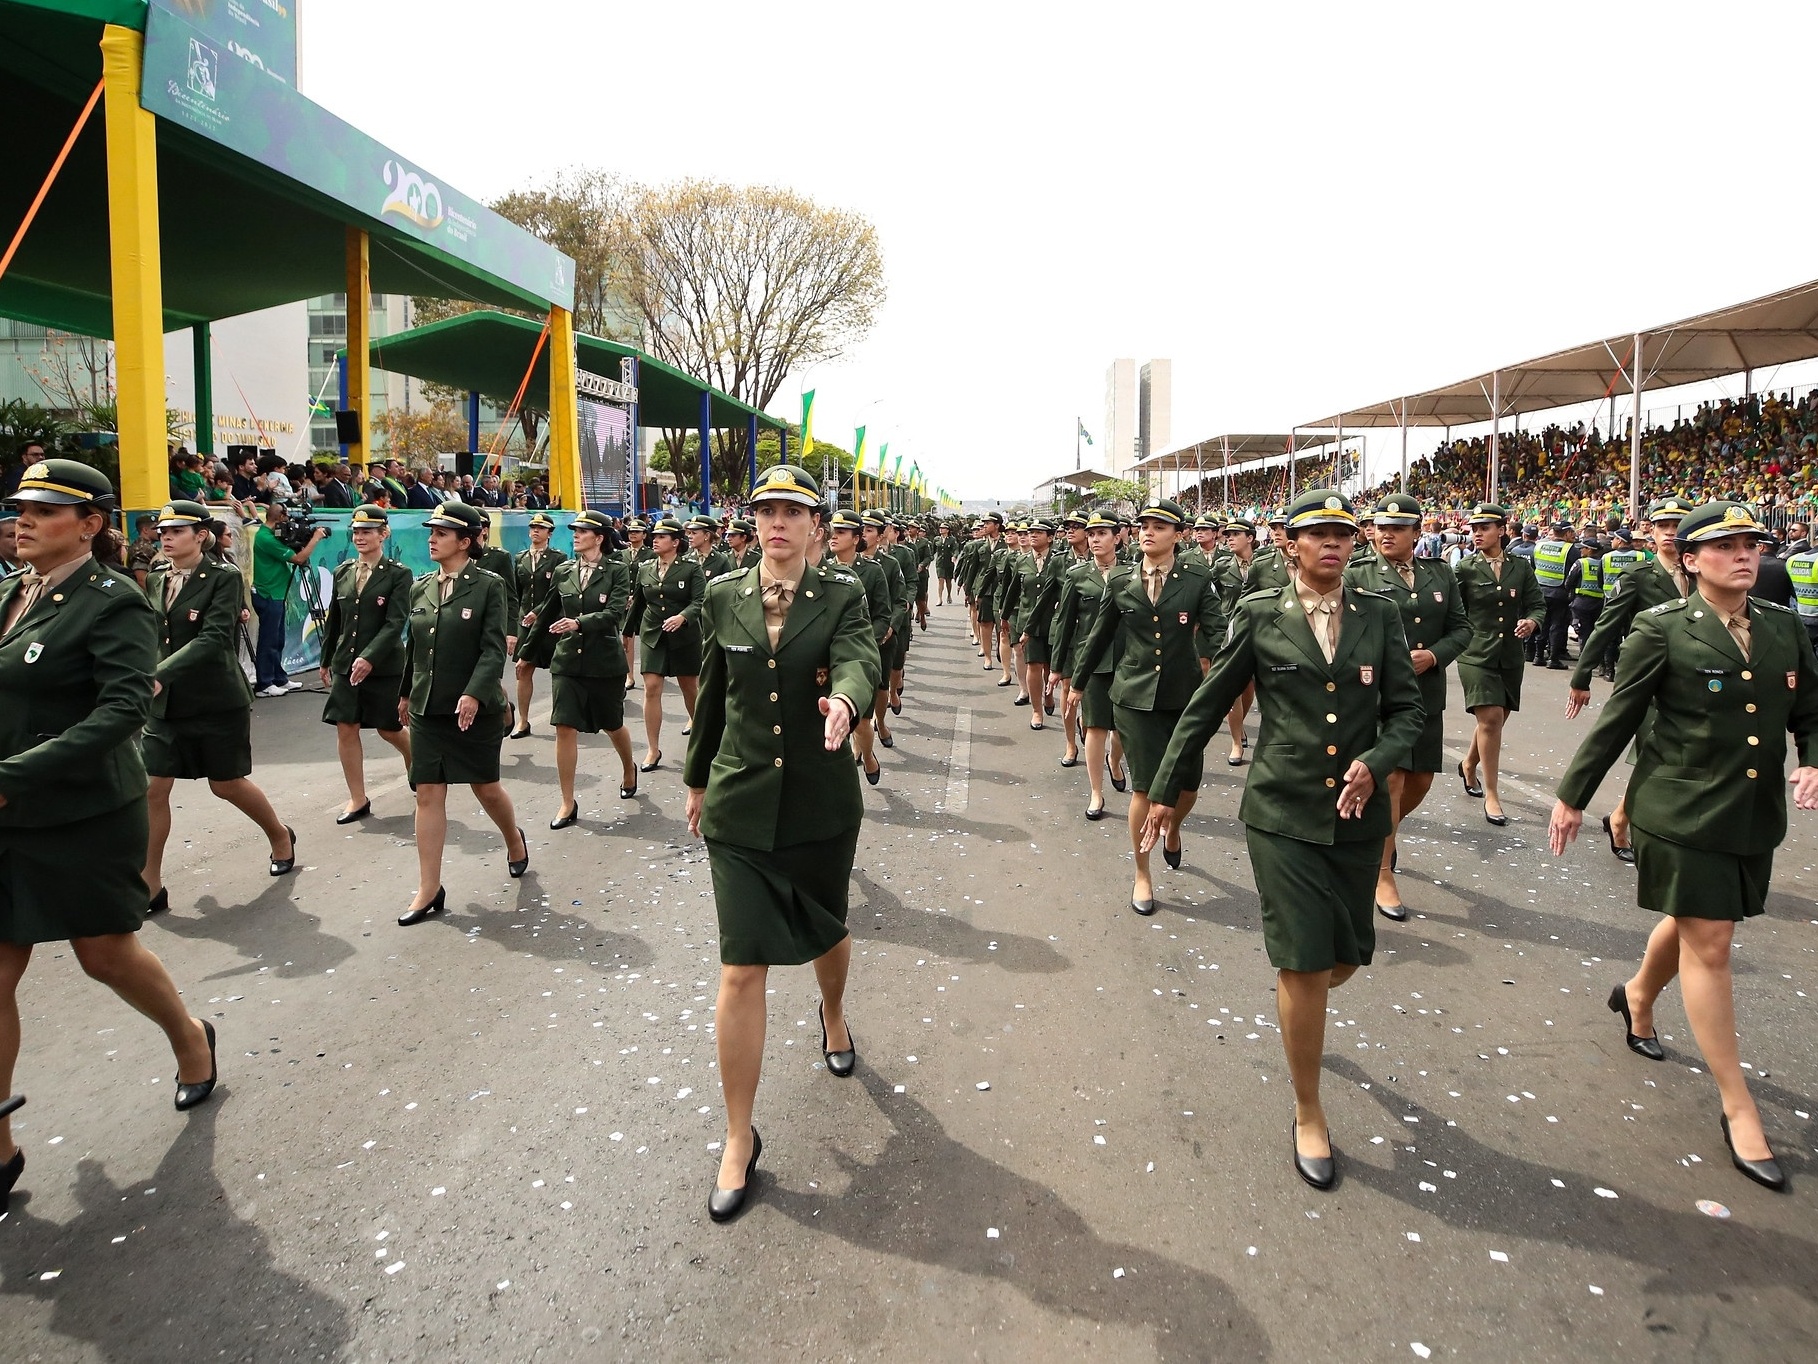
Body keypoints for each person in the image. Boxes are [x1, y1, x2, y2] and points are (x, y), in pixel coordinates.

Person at [1142, 489, 1422, 1190]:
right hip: (1282, 813)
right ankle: (1308, 1109)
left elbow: (1407, 713)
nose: (1332, 543)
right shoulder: (1261, 614)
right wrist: (1165, 793)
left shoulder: (1379, 615)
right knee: (1303, 962)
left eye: (1342, 534)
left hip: (1357, 816)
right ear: (1290, 545)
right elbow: (1207, 705)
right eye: (1317, 533)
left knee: (1345, 958)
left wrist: (1377, 762)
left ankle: (1307, 1005)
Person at [1550, 501, 1818, 1193]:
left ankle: (1638, 995)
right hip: (1679, 807)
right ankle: (1738, 1105)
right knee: (1713, 938)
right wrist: (1573, 796)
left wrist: (1812, 758)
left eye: (1752, 543)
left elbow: (1810, 710)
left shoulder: (1784, 626)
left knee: (1699, 918)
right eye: (1726, 545)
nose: (1745, 554)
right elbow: (1622, 715)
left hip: (1751, 810)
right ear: (1692, 560)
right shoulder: (1662, 626)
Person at [0, 462, 222, 1214]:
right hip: (7, 814)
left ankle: (190, 1037)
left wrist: (15, 774)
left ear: (90, 525)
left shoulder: (112, 600)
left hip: (82, 813)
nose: (24, 520)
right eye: (21, 508)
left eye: (44, 511)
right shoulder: (13, 593)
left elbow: (123, 710)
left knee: (104, 955)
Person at [681, 464, 881, 1222]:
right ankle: (739, 1137)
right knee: (741, 969)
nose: (777, 523)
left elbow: (860, 658)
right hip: (739, 804)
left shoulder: (842, 594)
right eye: (766, 510)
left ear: (815, 525)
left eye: (793, 512)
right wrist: (697, 780)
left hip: (819, 804)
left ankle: (832, 1011)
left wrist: (848, 702)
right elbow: (714, 694)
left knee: (828, 928)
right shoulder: (722, 594)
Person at [141, 501, 299, 915]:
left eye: (177, 531)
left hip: (214, 698)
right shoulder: (156, 578)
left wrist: (159, 674)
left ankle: (279, 835)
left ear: (201, 535)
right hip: (165, 702)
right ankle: (150, 883)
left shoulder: (223, 577)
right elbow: (152, 633)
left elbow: (213, 638)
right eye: (163, 532)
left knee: (226, 784)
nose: (167, 538)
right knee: (153, 788)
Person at [1070, 498, 1224, 915]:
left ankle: (1173, 826)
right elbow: (1100, 635)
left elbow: (1217, 632)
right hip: (1134, 696)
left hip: (1183, 696)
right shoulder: (1121, 580)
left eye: (1159, 526)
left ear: (1179, 534)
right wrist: (1078, 683)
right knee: (1144, 786)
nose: (1148, 532)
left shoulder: (1196, 578)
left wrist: (1222, 680)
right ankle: (1142, 873)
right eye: (1143, 526)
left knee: (1188, 785)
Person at [395, 501, 529, 925]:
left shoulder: (488, 585)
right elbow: (415, 648)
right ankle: (428, 887)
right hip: (428, 707)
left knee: (485, 788)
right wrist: (405, 694)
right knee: (428, 792)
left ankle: (514, 839)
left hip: (475, 707)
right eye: (431, 532)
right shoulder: (420, 586)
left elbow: (492, 649)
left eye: (442, 533)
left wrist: (473, 693)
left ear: (466, 541)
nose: (432, 539)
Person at [1344, 493, 1470, 921]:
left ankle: (1384, 832)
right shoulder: (1358, 573)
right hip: (1378, 694)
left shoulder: (1440, 573)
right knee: (1393, 780)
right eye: (1381, 527)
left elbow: (1461, 628)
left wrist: (1434, 656)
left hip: (1425, 691)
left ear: (1417, 533)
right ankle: (1381, 872)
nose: (1386, 534)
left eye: (1397, 528)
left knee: (1420, 779)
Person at [1566, 498, 1694, 860]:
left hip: (1690, 681)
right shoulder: (1638, 576)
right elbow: (1606, 627)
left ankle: (1621, 817)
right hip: (1646, 680)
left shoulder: (1701, 574)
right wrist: (1582, 677)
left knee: (1667, 757)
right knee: (1655, 754)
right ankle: (1630, 824)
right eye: (1663, 526)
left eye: (1677, 526)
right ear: (1651, 532)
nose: (1670, 532)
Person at [522, 510, 638, 827]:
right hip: (568, 661)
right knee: (564, 726)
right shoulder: (564, 571)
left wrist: (578, 622)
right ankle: (567, 801)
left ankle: (628, 768)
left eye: (582, 531)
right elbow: (547, 613)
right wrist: (526, 654)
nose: (575, 535)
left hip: (604, 661)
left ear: (599, 538)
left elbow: (614, 613)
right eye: (574, 530)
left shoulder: (617, 570)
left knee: (612, 724)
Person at [317, 505, 413, 823]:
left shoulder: (398, 574)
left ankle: (415, 759)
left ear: (383, 534)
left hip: (383, 666)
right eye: (356, 532)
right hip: (346, 663)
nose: (359, 537)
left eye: (367, 532)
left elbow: (395, 622)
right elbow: (335, 620)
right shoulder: (343, 571)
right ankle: (357, 798)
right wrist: (326, 659)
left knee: (389, 728)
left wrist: (369, 657)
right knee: (346, 726)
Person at [1453, 504, 1544, 826]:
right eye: (1474, 529)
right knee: (1490, 718)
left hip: (1510, 655)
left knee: (1496, 719)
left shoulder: (1520, 567)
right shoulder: (1464, 568)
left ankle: (1468, 764)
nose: (1477, 534)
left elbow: (1537, 604)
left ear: (1502, 531)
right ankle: (1492, 794)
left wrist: (1532, 622)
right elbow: (1454, 610)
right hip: (1475, 653)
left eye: (1485, 528)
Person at [1050, 510, 1128, 818]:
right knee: (1095, 727)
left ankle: (1115, 762)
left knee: (1121, 728)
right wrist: (1057, 667)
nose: (1095, 539)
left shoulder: (1131, 572)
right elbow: (1065, 623)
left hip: (1126, 659)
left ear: (1117, 537)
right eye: (1092, 534)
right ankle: (1096, 792)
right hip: (1090, 661)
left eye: (1102, 533)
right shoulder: (1078, 575)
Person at [631, 515, 706, 771]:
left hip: (684, 637)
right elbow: (639, 603)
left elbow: (700, 601)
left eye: (662, 537)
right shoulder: (645, 568)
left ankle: (702, 737)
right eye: (654, 536)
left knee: (689, 687)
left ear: (675, 542)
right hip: (654, 634)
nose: (655, 540)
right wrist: (626, 632)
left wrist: (683, 617)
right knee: (651, 687)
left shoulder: (691, 568)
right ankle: (653, 749)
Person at [825, 508, 892, 785]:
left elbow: (883, 615)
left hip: (859, 657)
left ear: (856, 538)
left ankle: (868, 755)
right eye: (832, 531)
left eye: (841, 532)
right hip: (827, 658)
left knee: (862, 723)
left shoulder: (873, 571)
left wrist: (865, 645)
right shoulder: (820, 569)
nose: (834, 537)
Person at [248, 501, 328, 697]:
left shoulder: (273, 534)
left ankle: (279, 678)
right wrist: (315, 538)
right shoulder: (266, 538)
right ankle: (264, 684)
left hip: (277, 593)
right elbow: (299, 559)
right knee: (268, 641)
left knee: (278, 639)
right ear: (280, 517)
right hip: (268, 594)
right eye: (286, 517)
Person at [510, 512, 568, 739]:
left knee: (558, 669)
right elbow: (517, 592)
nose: (535, 531)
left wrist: (539, 612)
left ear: (549, 533)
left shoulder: (558, 558)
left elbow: (558, 591)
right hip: (526, 622)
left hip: (551, 622)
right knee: (523, 669)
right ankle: (523, 720)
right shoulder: (520, 558)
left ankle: (562, 716)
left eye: (541, 528)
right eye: (533, 527)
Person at [1532, 520, 1579, 669]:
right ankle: (1553, 659)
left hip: (1540, 591)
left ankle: (1538, 656)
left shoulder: (1539, 546)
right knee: (1557, 626)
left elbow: (1534, 566)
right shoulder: (1571, 550)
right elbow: (1575, 571)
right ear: (1567, 533)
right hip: (1560, 593)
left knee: (1543, 624)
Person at [618, 517, 653, 688]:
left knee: (648, 637)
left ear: (644, 535)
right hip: (625, 602)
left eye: (637, 532)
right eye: (630, 531)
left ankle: (652, 671)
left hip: (644, 601)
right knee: (627, 638)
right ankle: (629, 675)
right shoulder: (622, 554)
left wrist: (637, 596)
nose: (632, 534)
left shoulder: (651, 554)